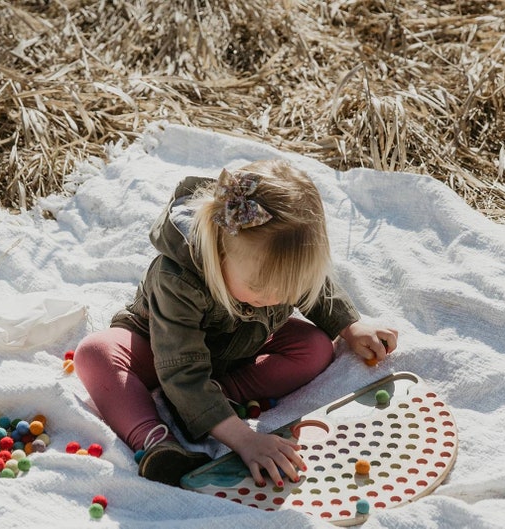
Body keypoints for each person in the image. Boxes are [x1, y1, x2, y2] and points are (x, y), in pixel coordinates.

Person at [74, 159, 398, 488]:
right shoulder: (177, 278)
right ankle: (155, 439)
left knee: (315, 346)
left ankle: (213, 402)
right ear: (221, 252)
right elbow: (181, 368)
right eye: (261, 289)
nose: (278, 297)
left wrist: (350, 326)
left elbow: (316, 287)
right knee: (95, 353)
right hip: (161, 353)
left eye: (288, 288)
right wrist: (244, 438)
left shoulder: (273, 272)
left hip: (239, 348)